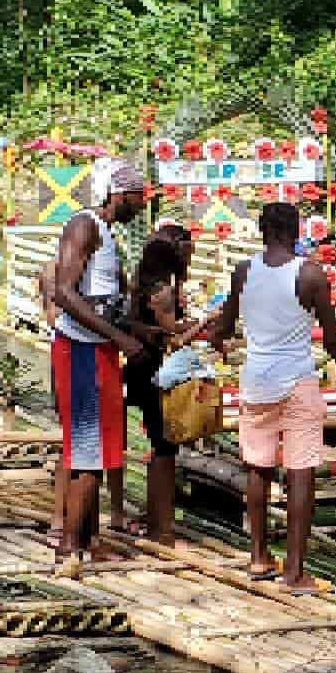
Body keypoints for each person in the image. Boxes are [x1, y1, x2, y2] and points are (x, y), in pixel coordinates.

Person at [197, 201, 336, 593]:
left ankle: (259, 557)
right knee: (301, 472)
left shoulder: (244, 272)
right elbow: (331, 334)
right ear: (296, 231)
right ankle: (295, 572)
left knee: (258, 467)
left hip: (256, 382)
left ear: (262, 231)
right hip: (297, 381)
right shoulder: (310, 274)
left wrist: (216, 340)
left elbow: (225, 325)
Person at [48, 157, 147, 576]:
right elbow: (63, 292)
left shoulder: (105, 233)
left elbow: (101, 301)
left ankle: (89, 541)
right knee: (88, 452)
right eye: (137, 196)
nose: (141, 204)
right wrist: (120, 338)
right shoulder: (83, 226)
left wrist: (134, 331)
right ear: (117, 195)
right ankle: (69, 548)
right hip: (81, 350)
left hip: (99, 348)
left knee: (102, 449)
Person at [122, 219, 195, 544]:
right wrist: (206, 324)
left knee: (157, 446)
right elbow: (172, 336)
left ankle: (154, 519)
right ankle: (161, 527)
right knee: (165, 450)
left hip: (137, 370)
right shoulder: (162, 291)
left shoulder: (139, 288)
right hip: (153, 372)